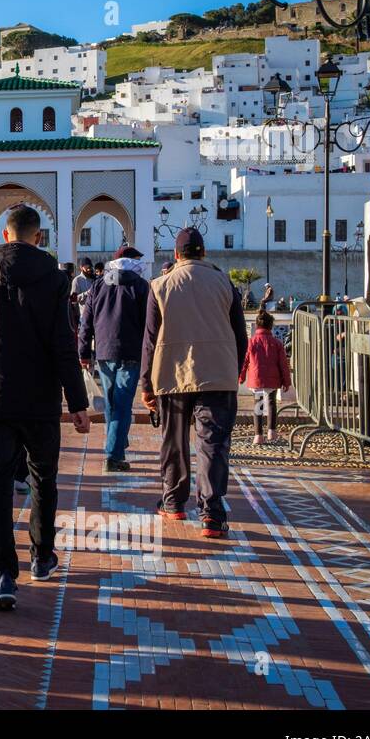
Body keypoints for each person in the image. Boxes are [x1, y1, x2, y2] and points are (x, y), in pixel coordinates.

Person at [0, 204, 89, 612]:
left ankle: (4, 571)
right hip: (40, 398)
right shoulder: (54, 277)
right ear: (38, 237)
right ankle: (42, 557)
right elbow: (64, 344)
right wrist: (78, 402)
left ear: (5, 235)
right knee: (43, 478)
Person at [139, 227, 247, 540]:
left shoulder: (159, 285)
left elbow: (149, 339)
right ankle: (212, 513)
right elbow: (240, 335)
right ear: (203, 253)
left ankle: (173, 501)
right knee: (212, 444)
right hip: (217, 373)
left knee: (173, 441)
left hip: (172, 375)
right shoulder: (224, 282)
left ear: (176, 255)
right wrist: (234, 369)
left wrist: (146, 383)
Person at [77, 245, 149, 472]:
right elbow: (150, 324)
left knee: (111, 403)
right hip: (131, 352)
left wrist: (83, 352)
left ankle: (117, 440)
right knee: (122, 404)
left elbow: (86, 321)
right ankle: (114, 454)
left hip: (104, 351)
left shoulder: (98, 284)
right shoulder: (140, 286)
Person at [241, 309, 292, 445]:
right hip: (272, 379)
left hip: (256, 378)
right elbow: (283, 365)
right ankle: (272, 432)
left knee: (258, 406)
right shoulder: (277, 343)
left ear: (257, 326)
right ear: (271, 326)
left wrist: (240, 377)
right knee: (271, 403)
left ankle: (258, 436)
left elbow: (244, 362)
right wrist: (286, 381)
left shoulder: (251, 342)